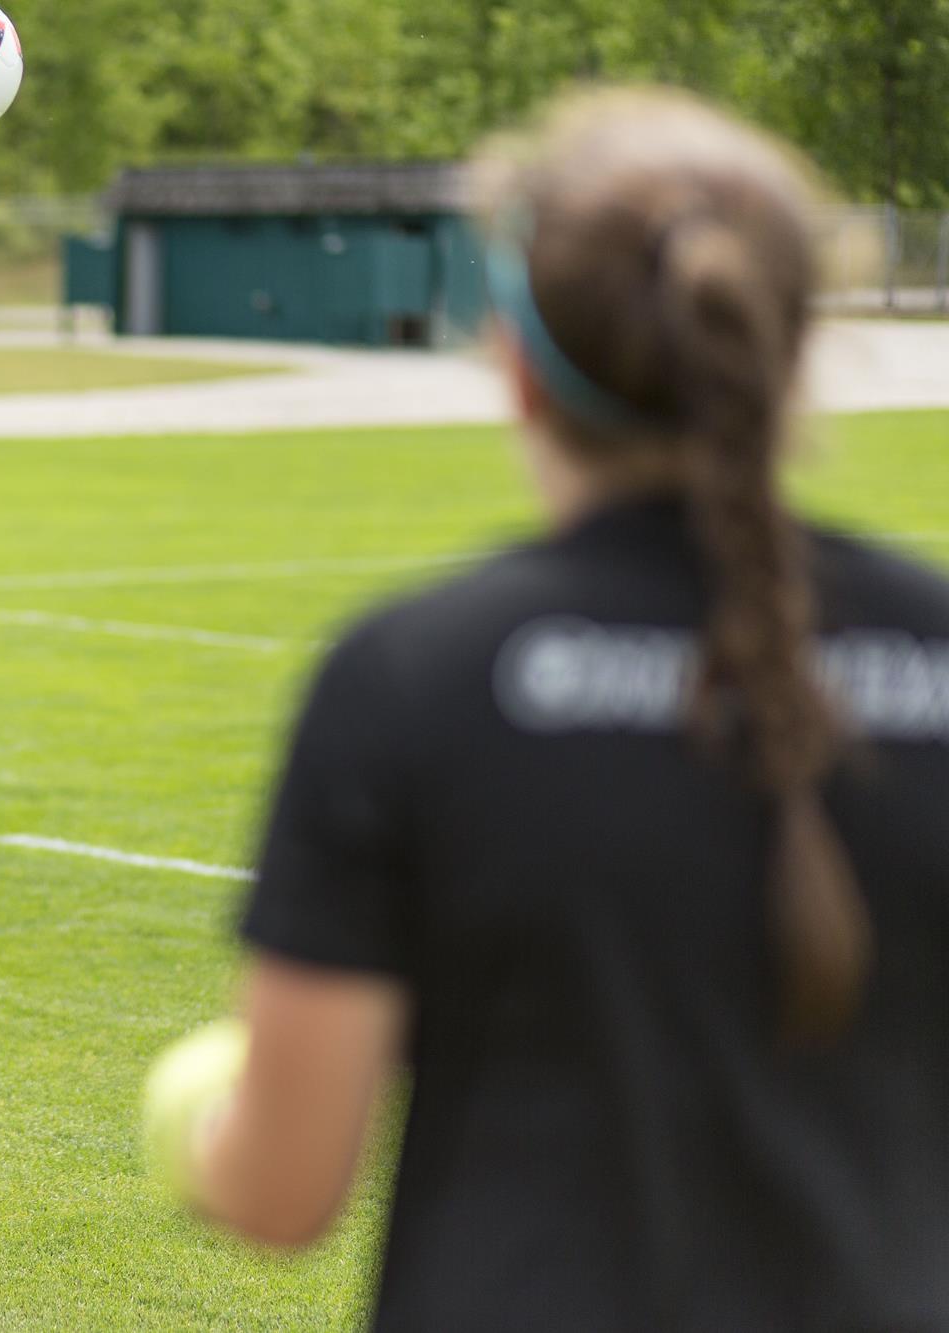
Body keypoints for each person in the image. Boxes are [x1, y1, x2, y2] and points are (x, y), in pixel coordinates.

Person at [154, 89, 949, 1329]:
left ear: (514, 364)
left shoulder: (412, 675)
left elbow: (280, 1189)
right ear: (789, 349)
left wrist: (201, 1125)